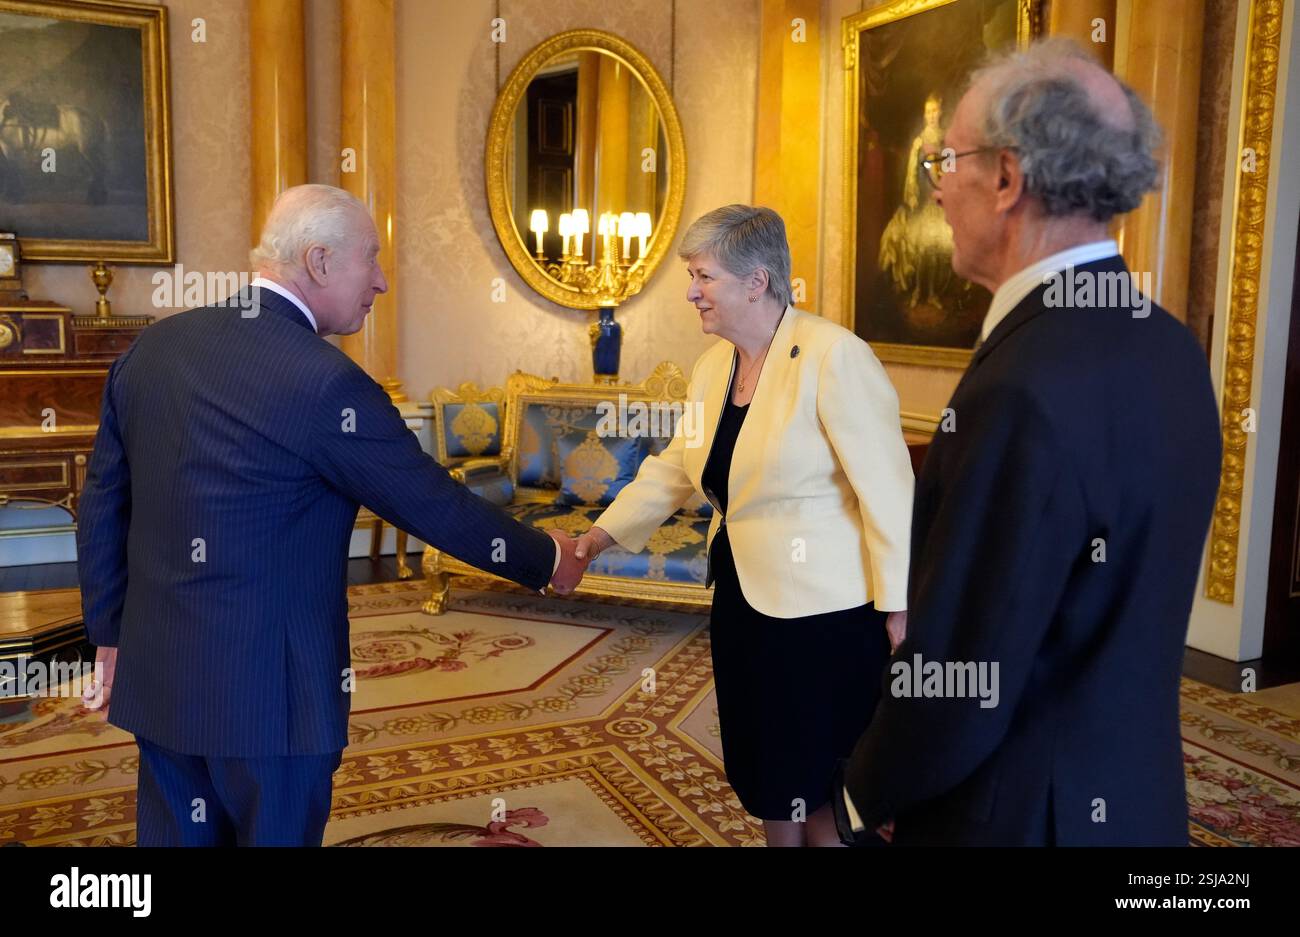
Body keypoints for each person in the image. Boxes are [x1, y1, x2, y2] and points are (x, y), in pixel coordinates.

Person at [76, 184, 588, 846]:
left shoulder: (152, 350)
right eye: (370, 259)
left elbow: (101, 504)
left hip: (161, 676)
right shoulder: (327, 383)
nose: (379, 281)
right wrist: (547, 556)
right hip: (272, 702)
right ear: (318, 261)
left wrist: (110, 636)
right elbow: (434, 503)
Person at [837, 39, 1223, 846]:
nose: (937, 187)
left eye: (949, 160)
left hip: (1012, 815)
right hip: (1136, 799)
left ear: (1007, 178)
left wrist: (865, 789)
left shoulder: (1021, 386)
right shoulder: (1173, 347)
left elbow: (965, 674)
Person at [573, 205, 914, 847]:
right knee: (766, 757)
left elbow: (890, 492)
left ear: (756, 281)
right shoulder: (713, 368)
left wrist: (898, 607)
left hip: (825, 615)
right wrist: (595, 540)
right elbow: (675, 468)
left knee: (822, 772)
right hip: (741, 598)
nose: (691, 291)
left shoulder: (833, 356)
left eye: (703, 276)